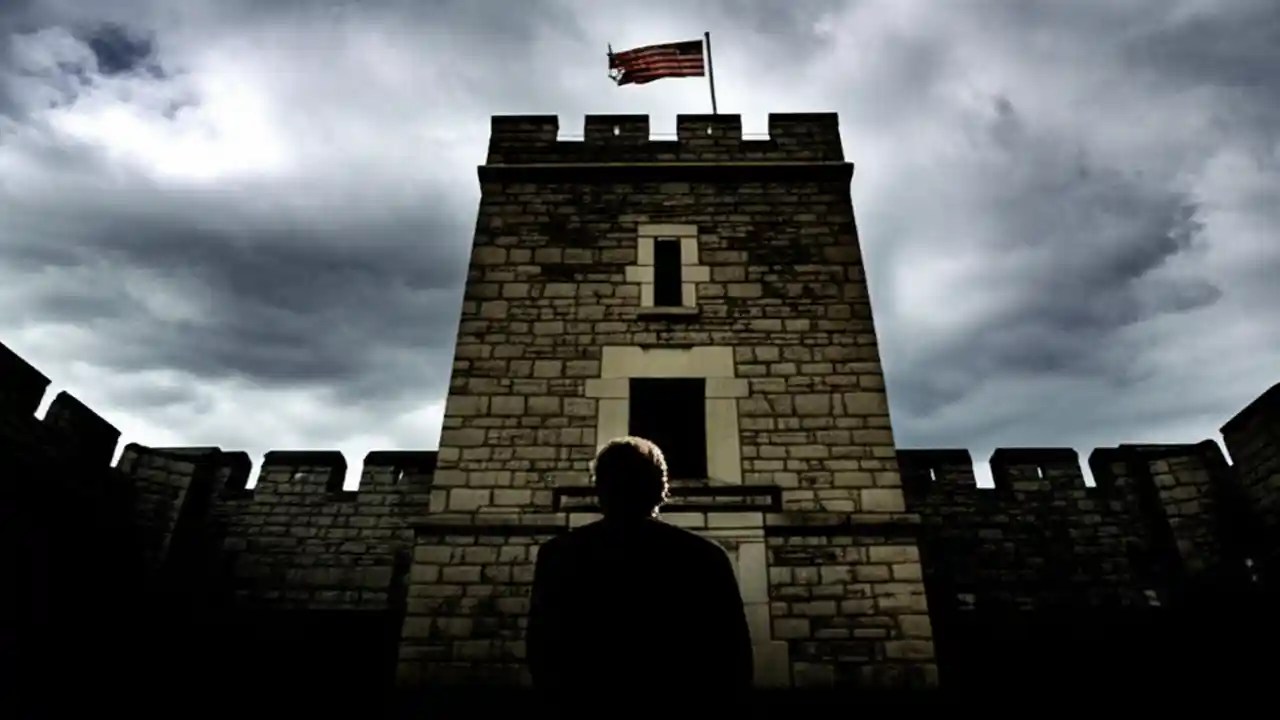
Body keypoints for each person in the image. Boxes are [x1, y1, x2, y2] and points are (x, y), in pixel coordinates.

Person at [527, 436, 755, 698]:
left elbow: (542, 651)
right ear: (661, 488)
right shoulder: (704, 557)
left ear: (600, 488)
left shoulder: (558, 555)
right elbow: (733, 656)